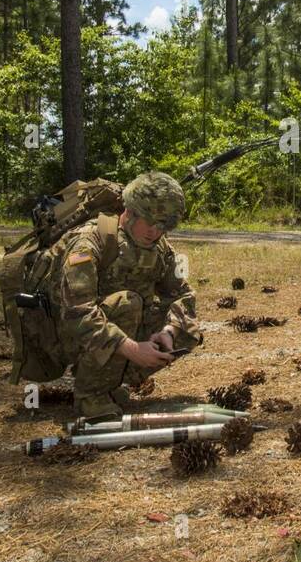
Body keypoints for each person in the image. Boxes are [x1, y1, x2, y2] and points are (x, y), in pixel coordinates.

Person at [44, 171, 202, 423]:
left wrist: (169, 332)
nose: (155, 231)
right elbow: (77, 313)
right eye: (149, 221)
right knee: (128, 303)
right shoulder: (89, 241)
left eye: (163, 225)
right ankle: (91, 395)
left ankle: (113, 380)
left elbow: (182, 294)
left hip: (114, 332)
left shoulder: (160, 247)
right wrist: (131, 348)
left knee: (185, 326)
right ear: (130, 210)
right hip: (70, 336)